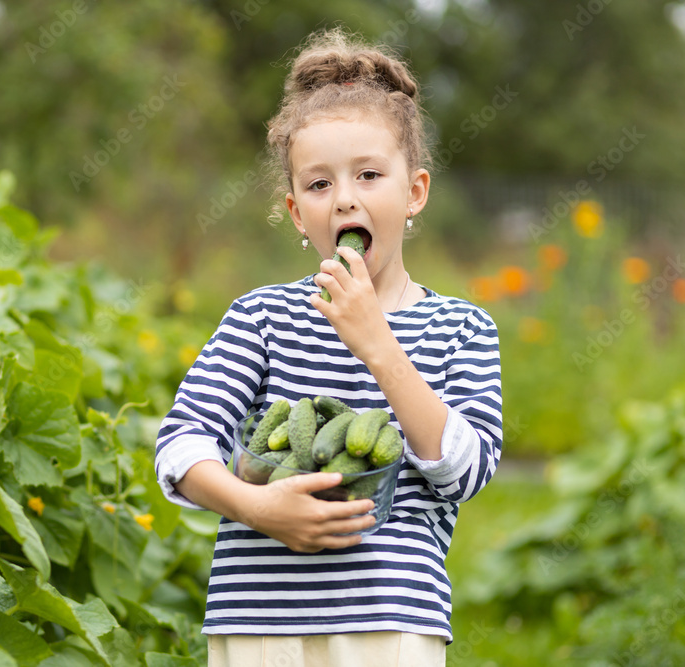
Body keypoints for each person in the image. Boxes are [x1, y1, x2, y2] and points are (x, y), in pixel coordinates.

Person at [154, 26, 503, 667]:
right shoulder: (259, 317)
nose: (344, 197)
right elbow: (180, 446)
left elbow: (464, 471)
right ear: (295, 211)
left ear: (414, 193)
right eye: (318, 185)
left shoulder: (463, 328)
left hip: (390, 626)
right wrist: (258, 506)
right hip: (257, 626)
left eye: (369, 175)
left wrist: (379, 346)